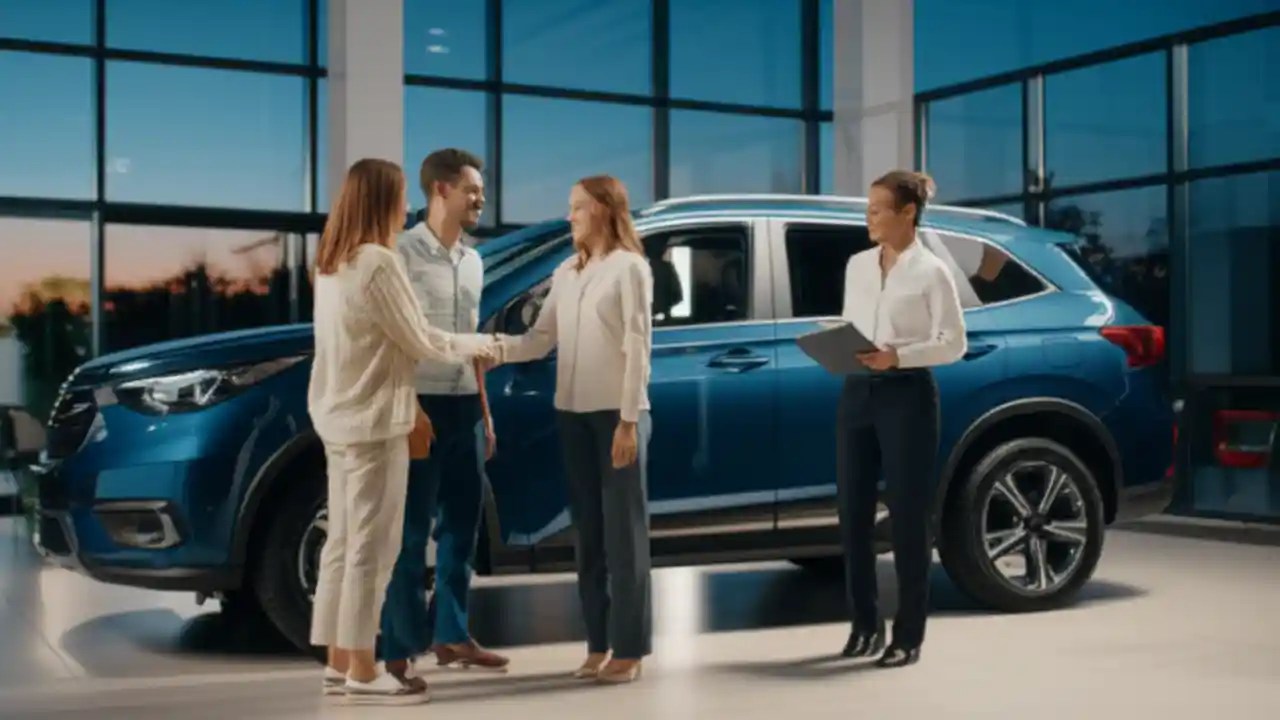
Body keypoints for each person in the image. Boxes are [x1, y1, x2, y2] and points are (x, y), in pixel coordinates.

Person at [307, 158, 493, 704]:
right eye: (400, 195)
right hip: (373, 423)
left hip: (338, 419)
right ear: (381, 199)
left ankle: (339, 662)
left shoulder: (332, 264)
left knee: (340, 545)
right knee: (374, 548)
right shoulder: (379, 264)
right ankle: (365, 671)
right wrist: (476, 345)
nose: (406, 205)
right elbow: (419, 339)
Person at [486, 175, 654, 684]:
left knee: (625, 538)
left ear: (604, 209)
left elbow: (638, 348)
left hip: (617, 417)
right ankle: (597, 643)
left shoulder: (631, 269)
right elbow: (539, 341)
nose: (570, 216)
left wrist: (629, 421)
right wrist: (490, 349)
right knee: (590, 538)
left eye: (578, 207)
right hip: (572, 415)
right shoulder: (566, 272)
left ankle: (629, 650)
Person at [377, 149, 509, 688]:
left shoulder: (475, 262)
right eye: (472, 189)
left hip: (464, 408)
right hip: (421, 407)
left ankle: (452, 634)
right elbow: (392, 341)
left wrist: (486, 414)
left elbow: (474, 345)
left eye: (480, 190)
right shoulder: (402, 255)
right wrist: (407, 408)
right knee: (409, 535)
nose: (481, 198)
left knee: (462, 530)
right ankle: (398, 650)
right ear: (441, 191)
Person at [836, 170, 966, 669]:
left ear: (907, 213)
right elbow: (855, 323)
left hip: (907, 396)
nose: (868, 217)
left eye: (876, 209)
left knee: (909, 519)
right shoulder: (857, 265)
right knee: (852, 515)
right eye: (867, 208)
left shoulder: (931, 271)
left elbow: (954, 342)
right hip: (856, 392)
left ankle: (908, 635)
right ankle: (863, 625)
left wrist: (900, 357)